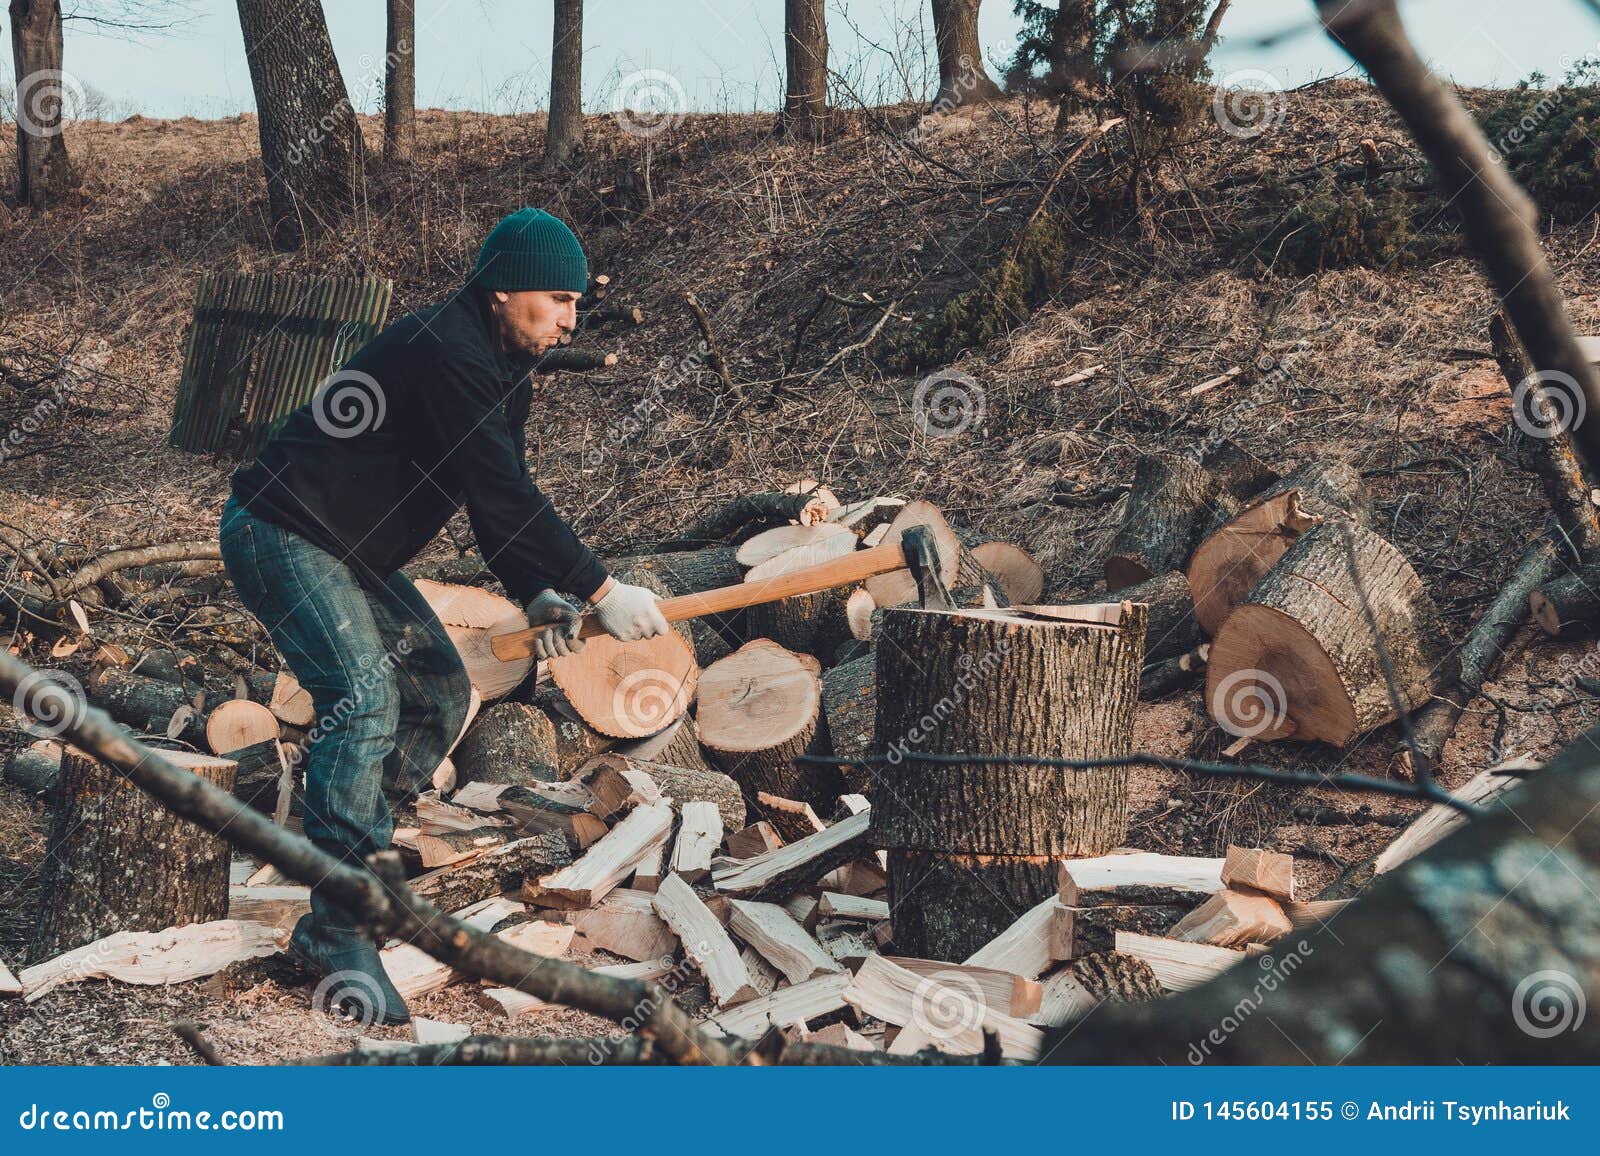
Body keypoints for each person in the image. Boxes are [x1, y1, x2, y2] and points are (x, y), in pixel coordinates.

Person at [219, 208, 668, 1024]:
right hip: (282, 532)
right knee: (364, 700)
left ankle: (353, 876)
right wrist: (602, 589)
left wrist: (537, 589)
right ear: (502, 290)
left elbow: (492, 501)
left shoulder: (500, 366)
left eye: (576, 304)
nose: (571, 319)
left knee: (436, 693)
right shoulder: (446, 350)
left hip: (344, 549)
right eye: (559, 298)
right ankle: (339, 927)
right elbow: (506, 493)